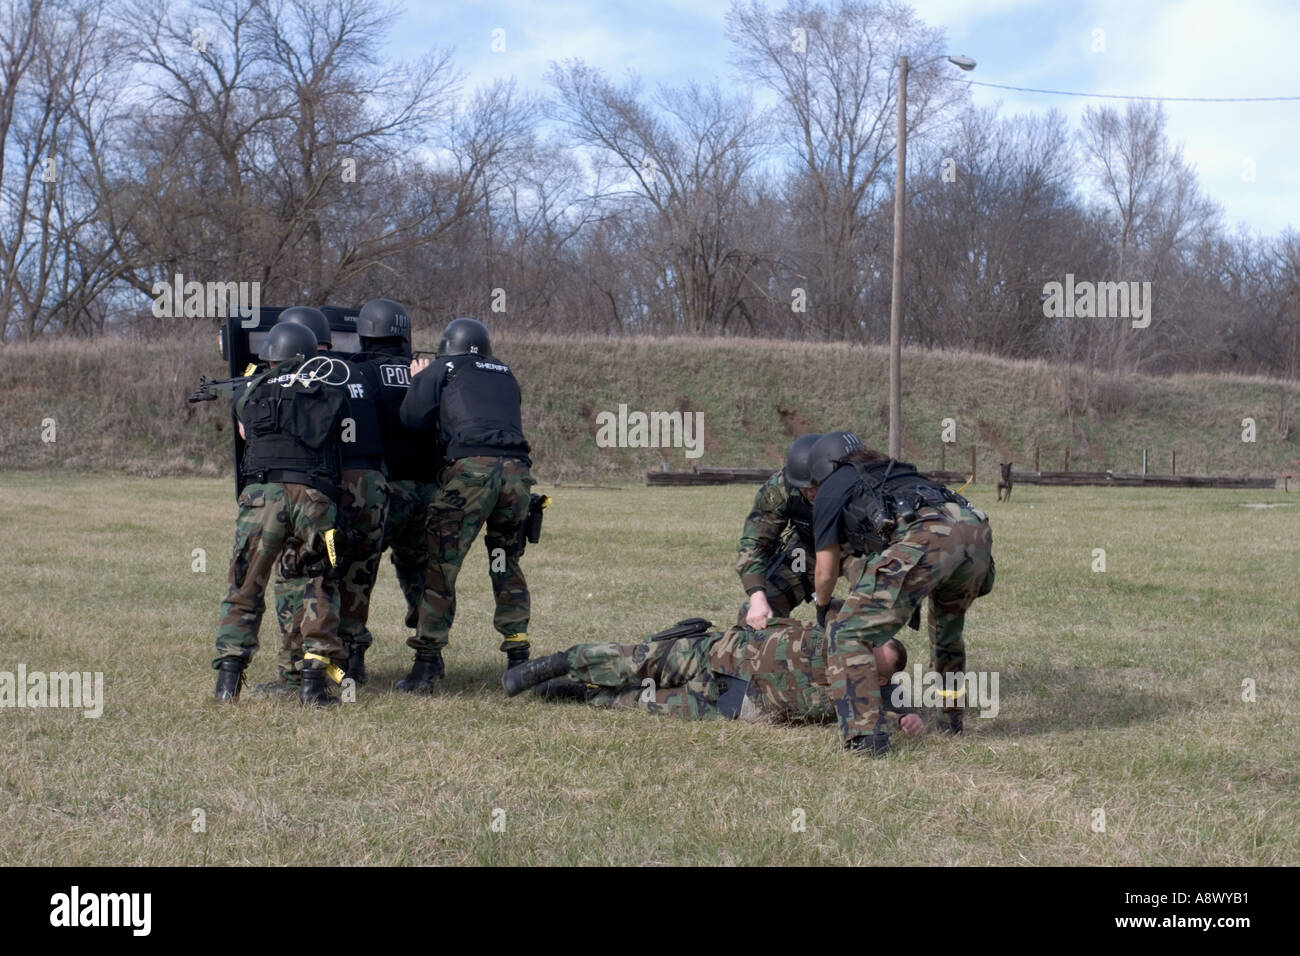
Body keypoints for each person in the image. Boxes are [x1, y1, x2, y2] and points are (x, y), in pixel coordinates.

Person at [806, 431, 995, 756]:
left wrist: (822, 606)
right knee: (946, 634)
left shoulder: (832, 488)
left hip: (931, 536)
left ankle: (867, 739)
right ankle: (950, 720)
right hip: (975, 534)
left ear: (824, 467)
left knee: (848, 633)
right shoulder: (890, 470)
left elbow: (825, 571)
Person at [212, 321, 348, 706]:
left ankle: (227, 683)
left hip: (261, 495)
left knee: (245, 584)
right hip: (313, 496)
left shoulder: (249, 389)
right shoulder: (327, 385)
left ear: (270, 355)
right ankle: (312, 685)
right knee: (317, 582)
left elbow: (245, 431)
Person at [396, 317, 536, 690]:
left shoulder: (443, 368)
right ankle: (519, 657)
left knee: (441, 566)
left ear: (447, 347)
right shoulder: (505, 373)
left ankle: (427, 663)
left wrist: (418, 381)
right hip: (518, 473)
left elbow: (411, 420)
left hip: (471, 471)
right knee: (505, 561)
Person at [254, 307, 389, 694]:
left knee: (303, 574)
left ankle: (297, 671)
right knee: (357, 575)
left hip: (325, 483)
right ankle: (350, 662)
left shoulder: (300, 377)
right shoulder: (357, 371)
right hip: (373, 482)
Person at [501, 617, 923, 738]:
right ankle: (554, 664)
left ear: (881, 681)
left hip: (729, 704)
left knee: (640, 701)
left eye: (874, 666)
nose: (861, 660)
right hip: (720, 654)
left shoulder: (858, 702)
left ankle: (578, 694)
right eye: (867, 649)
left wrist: (907, 720)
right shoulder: (828, 634)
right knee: (638, 661)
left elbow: (888, 720)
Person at [352, 298, 444, 681]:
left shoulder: (358, 374)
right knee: (420, 572)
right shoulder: (428, 373)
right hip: (429, 491)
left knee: (358, 571)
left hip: (381, 492)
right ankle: (428, 661)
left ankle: (351, 662)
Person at [735, 433, 821, 629]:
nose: (811, 492)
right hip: (809, 549)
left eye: (816, 484)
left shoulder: (852, 485)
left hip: (853, 552)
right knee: (765, 603)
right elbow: (755, 542)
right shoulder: (782, 487)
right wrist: (757, 598)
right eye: (804, 487)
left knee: (867, 605)